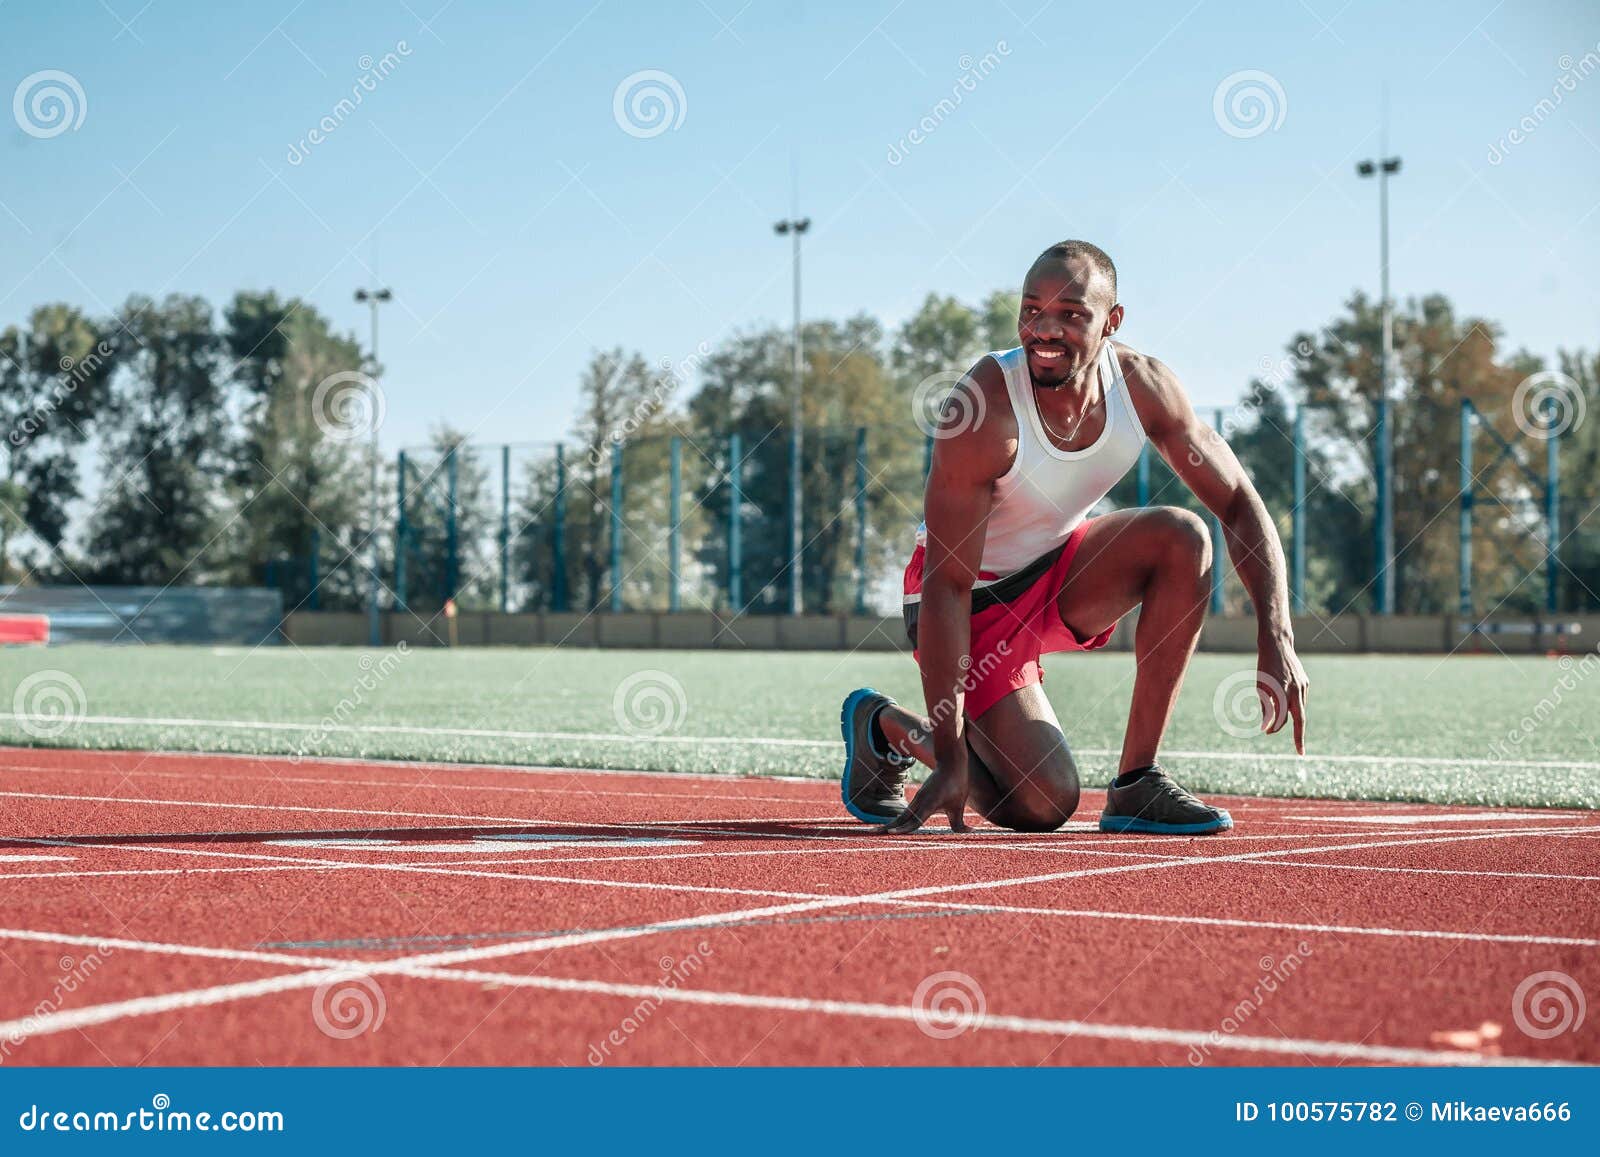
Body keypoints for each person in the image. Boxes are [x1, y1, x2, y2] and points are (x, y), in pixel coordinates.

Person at [840, 241, 1307, 835]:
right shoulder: (985, 408)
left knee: (1183, 537)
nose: (1045, 329)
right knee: (1040, 805)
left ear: (1112, 322)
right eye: (1032, 310)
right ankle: (887, 728)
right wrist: (951, 752)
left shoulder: (1143, 388)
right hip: (969, 598)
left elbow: (1238, 503)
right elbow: (947, 585)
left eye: (1071, 314)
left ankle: (1138, 782)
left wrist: (1278, 635)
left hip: (1058, 569)